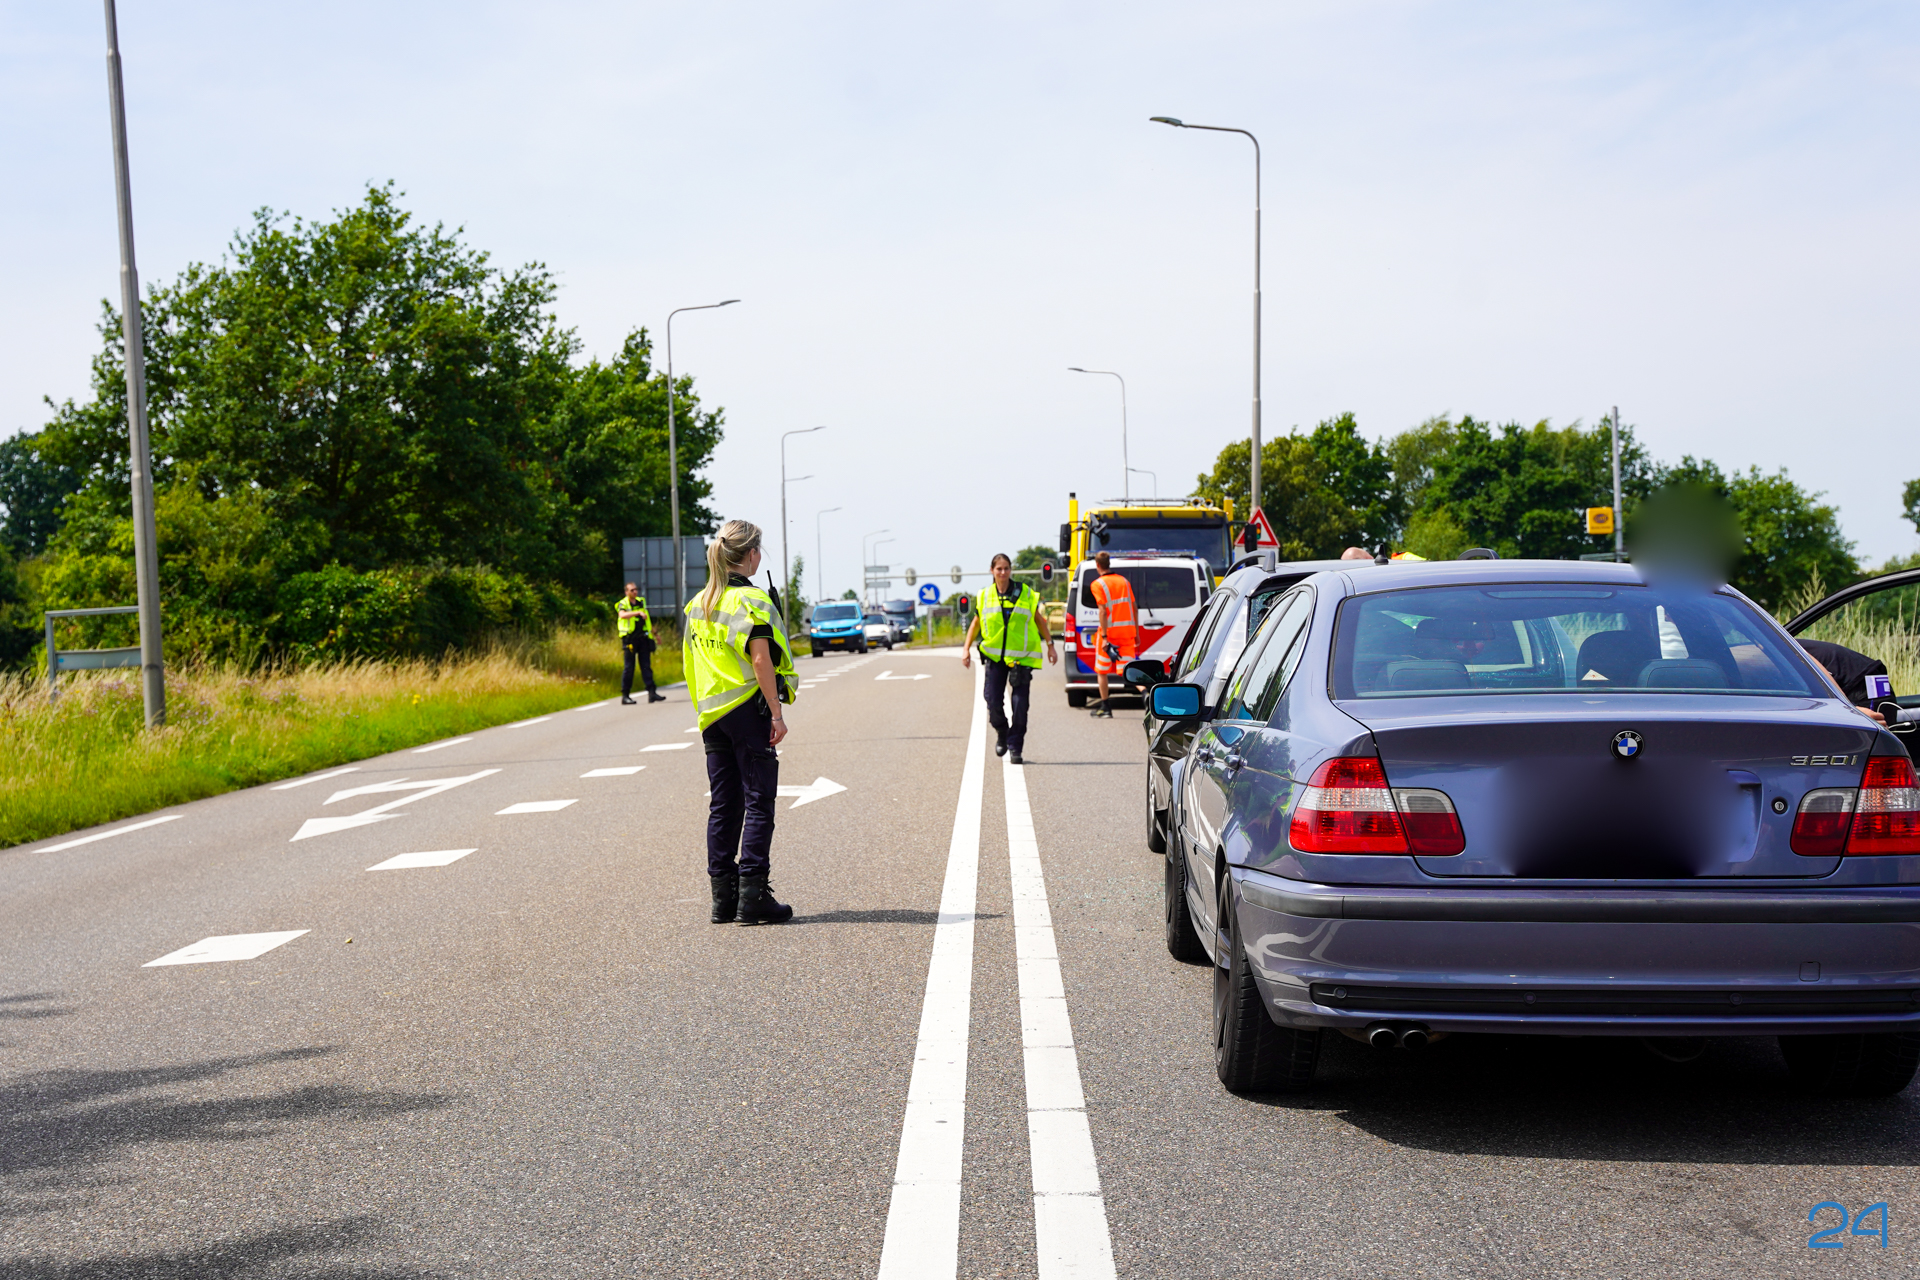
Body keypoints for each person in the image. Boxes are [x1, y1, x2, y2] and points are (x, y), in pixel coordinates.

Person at [684, 520, 801, 925]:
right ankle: (752, 895)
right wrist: (778, 711)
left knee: (724, 805)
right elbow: (760, 658)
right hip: (748, 710)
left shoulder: (700, 602)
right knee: (758, 801)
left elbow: (694, 663)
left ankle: (723, 899)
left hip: (712, 716)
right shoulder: (751, 601)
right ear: (751, 555)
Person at [961, 553, 1057, 764]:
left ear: (1010, 570)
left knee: (1020, 706)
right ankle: (1002, 732)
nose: (1003, 572)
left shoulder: (1026, 594)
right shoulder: (985, 595)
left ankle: (1015, 747)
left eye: (1006, 568)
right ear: (992, 571)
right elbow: (976, 623)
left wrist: (1051, 646)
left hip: (1021, 659)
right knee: (993, 701)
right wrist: (966, 649)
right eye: (999, 569)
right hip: (995, 658)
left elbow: (1039, 621)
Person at [1085, 550, 1137, 718]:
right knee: (1130, 670)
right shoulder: (1124, 581)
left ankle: (1105, 707)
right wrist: (1135, 632)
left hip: (1109, 635)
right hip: (1127, 632)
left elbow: (1102, 611)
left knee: (1102, 671)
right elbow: (1134, 607)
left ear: (1098, 565)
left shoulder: (1098, 584)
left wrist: (1105, 637)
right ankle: (1145, 695)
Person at [616, 581, 664, 705]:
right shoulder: (623, 603)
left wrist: (656, 634)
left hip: (643, 639)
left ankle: (652, 693)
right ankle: (625, 695)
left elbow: (647, 620)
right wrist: (637, 613)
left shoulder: (641, 602)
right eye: (632, 590)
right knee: (629, 668)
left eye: (636, 589)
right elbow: (622, 615)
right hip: (630, 639)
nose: (635, 592)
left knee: (646, 666)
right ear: (626, 592)